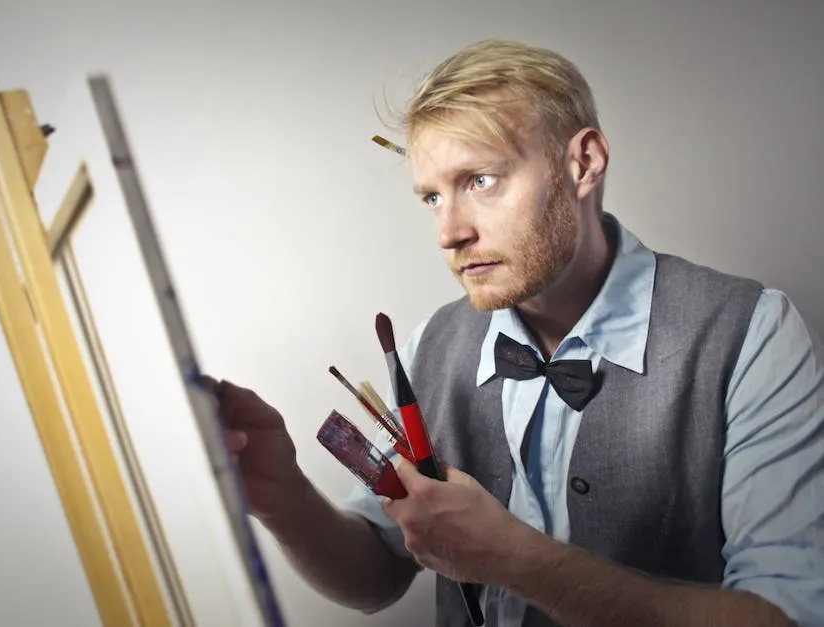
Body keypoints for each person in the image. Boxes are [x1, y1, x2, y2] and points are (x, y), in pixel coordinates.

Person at [208, 39, 823, 626]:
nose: (449, 233)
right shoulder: (430, 347)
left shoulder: (750, 333)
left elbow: (785, 618)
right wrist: (280, 496)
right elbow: (377, 577)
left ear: (582, 163)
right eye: (430, 197)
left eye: (479, 180)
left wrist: (513, 559)